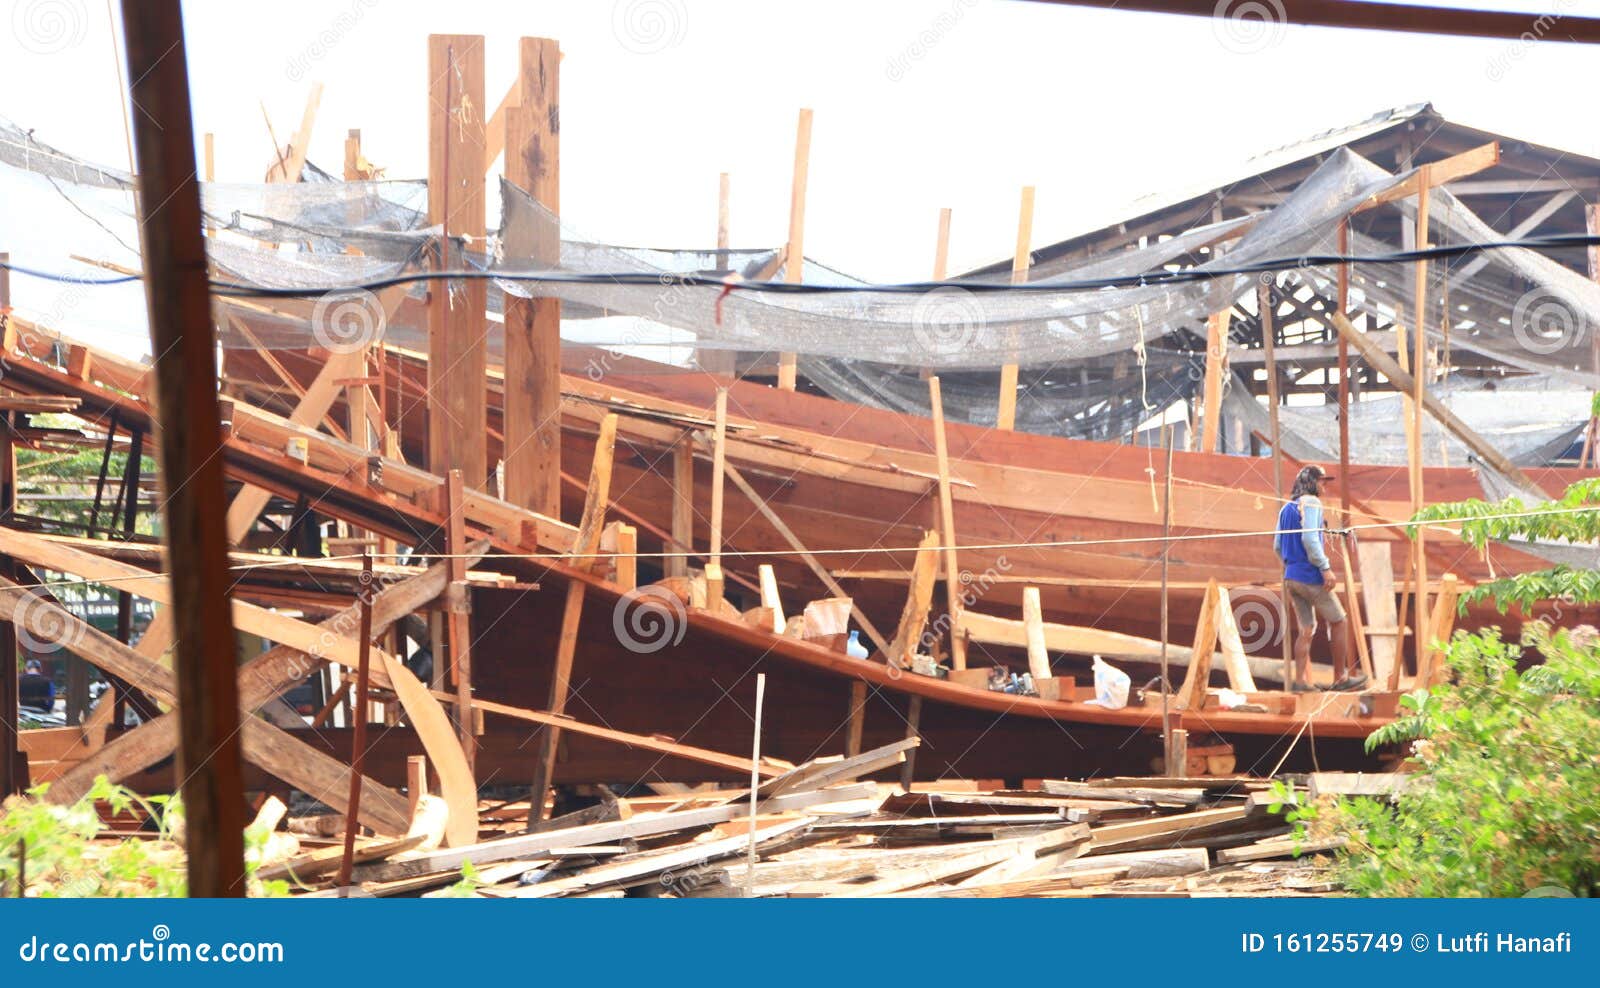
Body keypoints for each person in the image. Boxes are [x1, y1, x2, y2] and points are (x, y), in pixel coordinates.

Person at [1274, 466, 1364, 692]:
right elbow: (1310, 539)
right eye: (1321, 481)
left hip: (1291, 577)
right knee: (1339, 620)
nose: (1324, 486)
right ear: (1311, 482)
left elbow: (1277, 545)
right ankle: (1340, 678)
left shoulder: (1286, 509)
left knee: (1307, 629)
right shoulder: (1312, 503)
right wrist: (1325, 568)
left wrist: (1291, 566)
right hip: (1310, 576)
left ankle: (1301, 682)